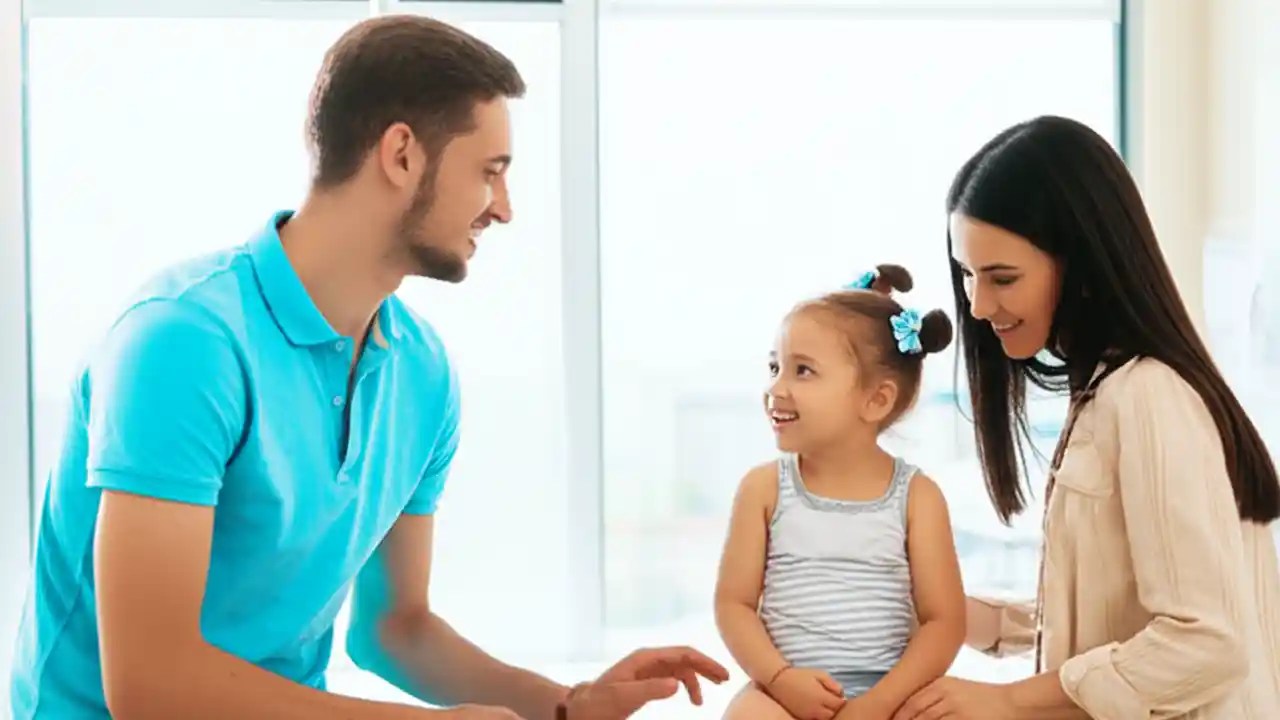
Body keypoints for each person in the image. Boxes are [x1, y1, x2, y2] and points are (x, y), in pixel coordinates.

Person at [8, 15, 727, 720]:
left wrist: (565, 706)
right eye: (490, 173)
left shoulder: (422, 371)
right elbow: (151, 685)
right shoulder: (182, 341)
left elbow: (394, 629)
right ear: (402, 154)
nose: (503, 208)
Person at [895, 116, 1280, 719]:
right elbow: (1118, 618)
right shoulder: (1110, 390)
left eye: (1002, 278)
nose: (975, 305)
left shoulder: (1148, 395)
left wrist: (1010, 702)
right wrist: (974, 619)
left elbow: (1206, 641)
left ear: (1080, 263)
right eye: (967, 275)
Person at [715, 265, 967, 720]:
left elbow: (943, 623)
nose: (775, 388)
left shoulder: (917, 497)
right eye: (775, 367)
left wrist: (879, 704)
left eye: (802, 371)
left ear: (875, 400)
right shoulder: (765, 488)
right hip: (782, 692)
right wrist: (779, 679)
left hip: (889, 691)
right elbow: (734, 604)